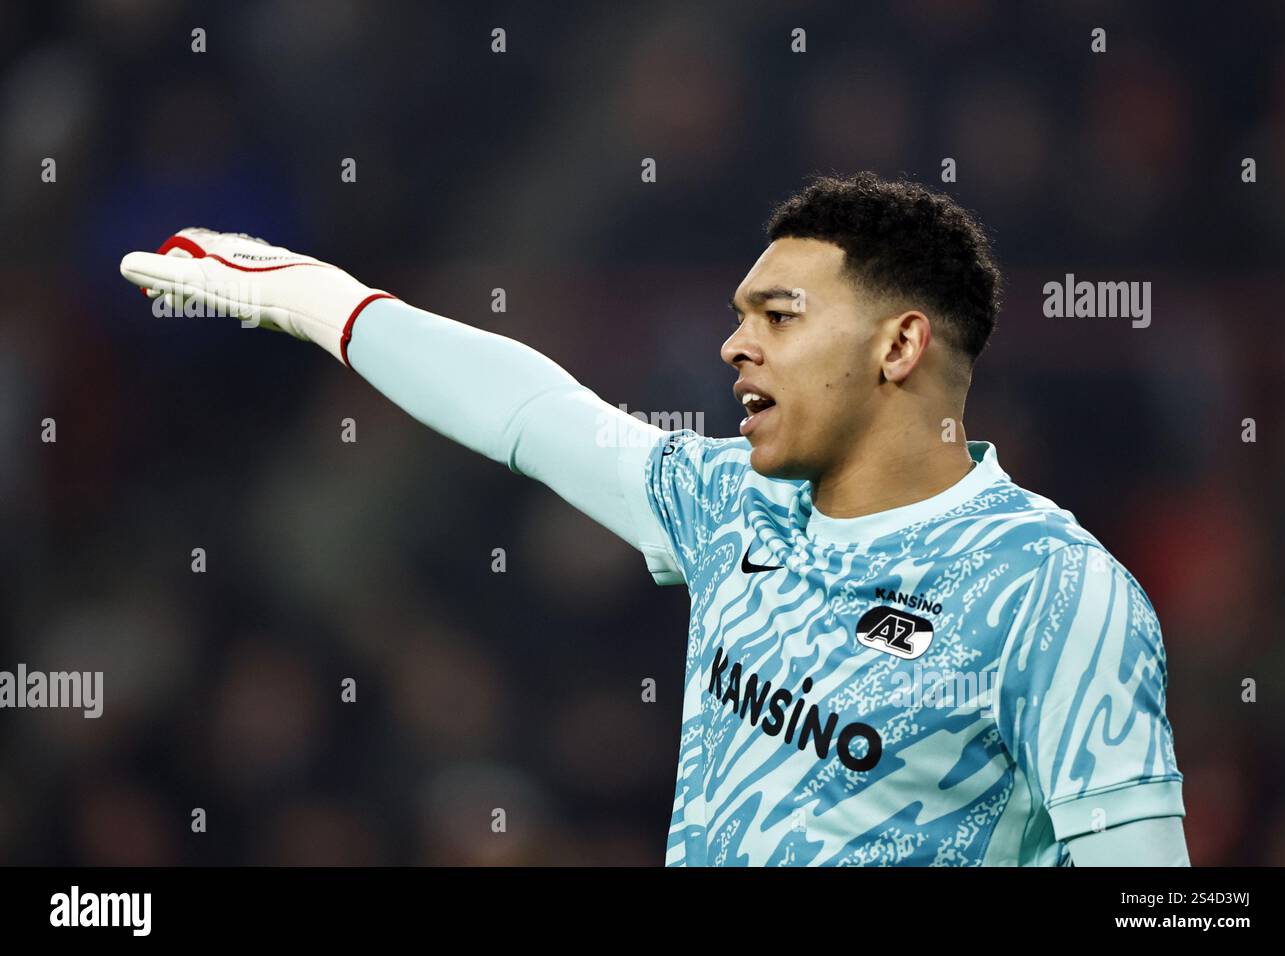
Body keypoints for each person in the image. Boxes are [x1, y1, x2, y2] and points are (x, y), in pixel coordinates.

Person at [119, 172, 1188, 866]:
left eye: (777, 315)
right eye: (737, 317)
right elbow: (539, 414)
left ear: (898, 348)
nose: (734, 346)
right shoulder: (730, 503)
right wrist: (323, 303)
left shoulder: (1051, 588)